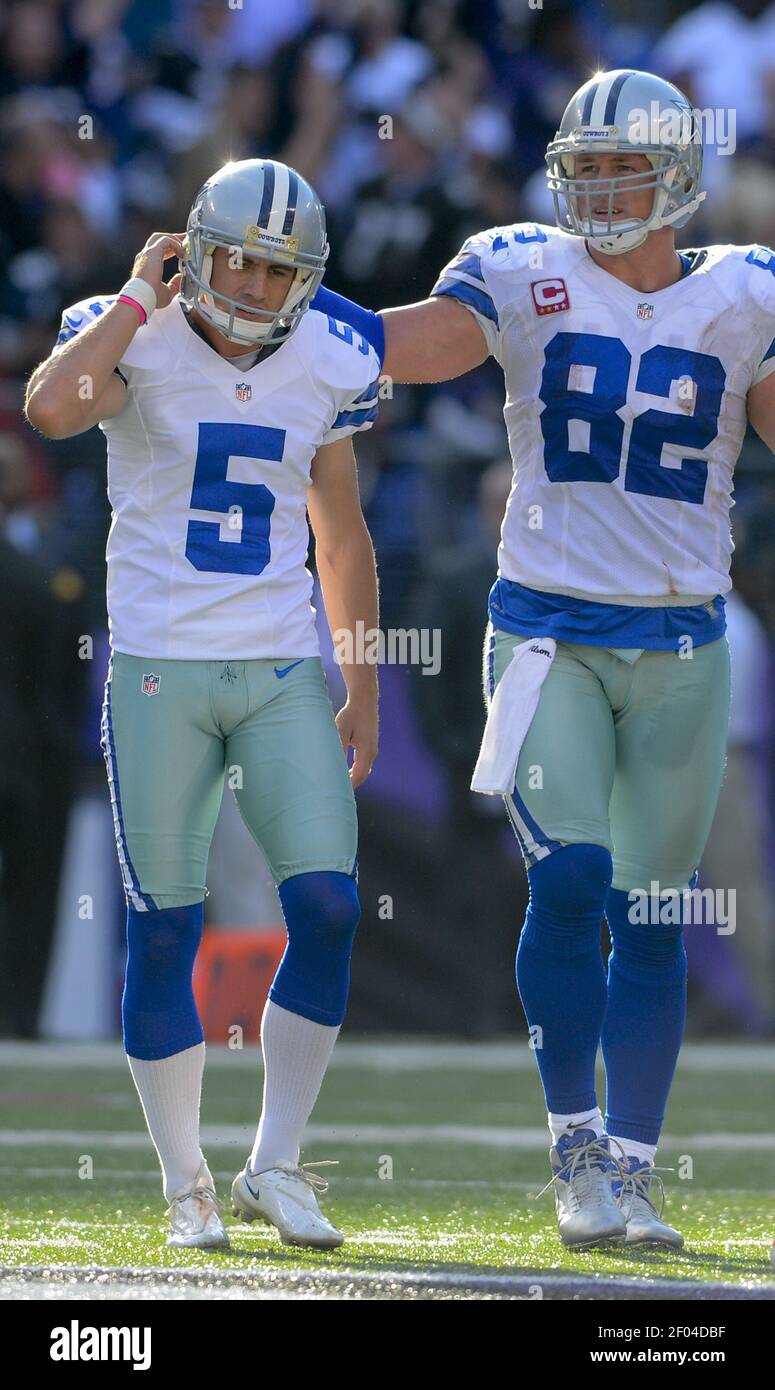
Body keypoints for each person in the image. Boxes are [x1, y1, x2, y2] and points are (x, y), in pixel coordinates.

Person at [314, 68, 775, 1249]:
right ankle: (574, 1145)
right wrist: (287, 320)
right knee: (568, 881)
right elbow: (408, 348)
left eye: (624, 163)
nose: (598, 185)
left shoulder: (741, 292)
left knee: (653, 910)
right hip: (547, 631)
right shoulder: (523, 268)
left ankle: (633, 1161)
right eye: (586, 163)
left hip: (682, 638)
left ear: (678, 172)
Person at [25, 158, 381, 1252]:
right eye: (239, 262)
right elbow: (47, 409)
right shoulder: (133, 329)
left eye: (283, 273)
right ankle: (185, 1180)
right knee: (165, 922)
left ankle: (273, 1161)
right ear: (195, 248)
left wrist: (359, 676)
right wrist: (138, 299)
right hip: (158, 671)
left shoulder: (331, 353)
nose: (260, 290)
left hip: (279, 667)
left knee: (324, 906)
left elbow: (342, 532)